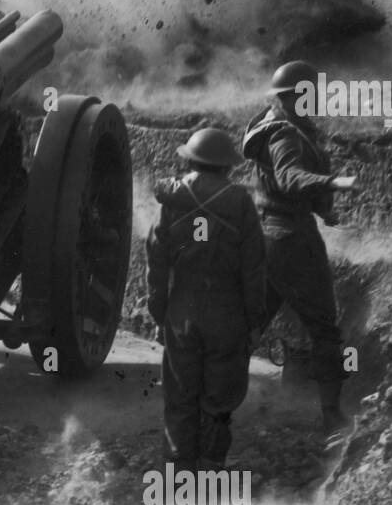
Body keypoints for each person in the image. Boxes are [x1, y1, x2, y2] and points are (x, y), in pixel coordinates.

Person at [242, 60, 359, 437]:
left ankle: (214, 400)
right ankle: (333, 417)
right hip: (293, 240)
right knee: (324, 330)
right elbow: (290, 177)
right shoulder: (286, 136)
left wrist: (325, 209)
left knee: (252, 322)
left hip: (266, 238)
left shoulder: (271, 124)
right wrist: (333, 182)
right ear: (298, 97)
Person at [147, 127, 267, 471]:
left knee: (180, 397)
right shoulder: (241, 202)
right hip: (227, 314)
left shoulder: (172, 198)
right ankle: (211, 470)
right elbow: (254, 269)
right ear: (227, 167)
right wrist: (254, 321)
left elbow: (156, 260)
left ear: (190, 160)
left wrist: (159, 312)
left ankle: (179, 475)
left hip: (182, 310)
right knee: (219, 397)